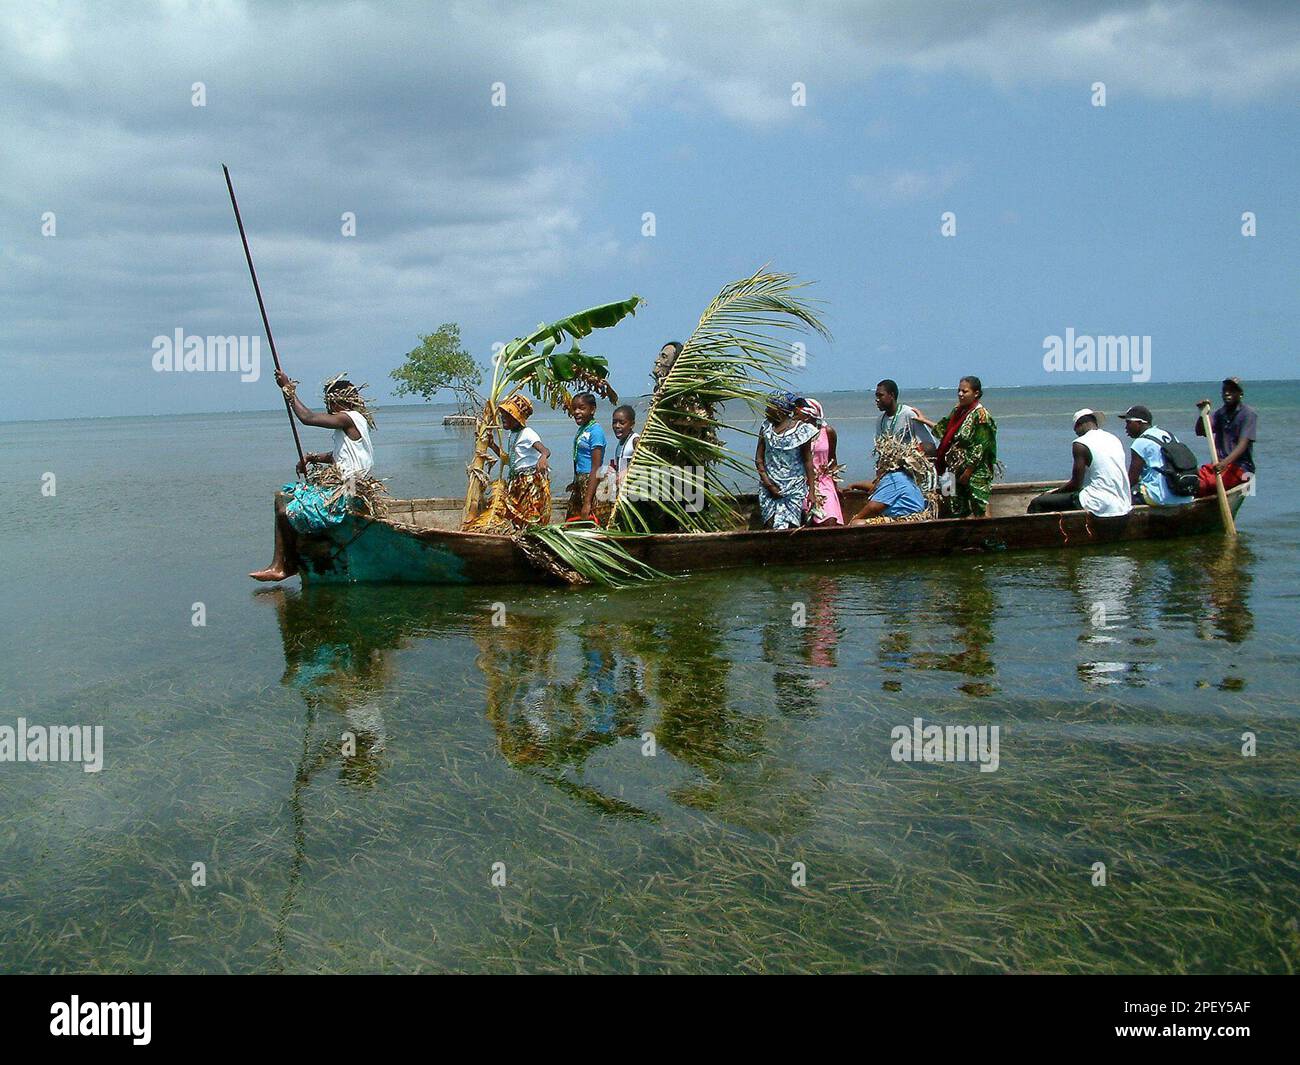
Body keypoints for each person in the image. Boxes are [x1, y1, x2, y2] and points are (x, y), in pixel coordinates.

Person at [251, 371, 377, 581]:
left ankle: (282, 566)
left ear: (336, 402)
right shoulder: (357, 421)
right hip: (352, 486)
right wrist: (312, 457)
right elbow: (340, 456)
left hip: (349, 490)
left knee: (283, 502)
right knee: (289, 495)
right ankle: (290, 562)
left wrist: (288, 389)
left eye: (329, 403)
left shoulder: (348, 417)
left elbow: (307, 418)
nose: (328, 408)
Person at [466, 393, 552, 532]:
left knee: (530, 515)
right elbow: (509, 460)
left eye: (507, 416)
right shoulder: (513, 435)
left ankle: (532, 538)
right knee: (516, 515)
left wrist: (543, 457)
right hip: (517, 481)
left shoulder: (528, 433)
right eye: (502, 415)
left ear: (517, 418)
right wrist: (492, 445)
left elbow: (545, 450)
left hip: (529, 482)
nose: (502, 418)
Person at [1027, 409, 1132, 516]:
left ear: (1079, 425)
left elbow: (1076, 484)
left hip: (1098, 502)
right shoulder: (1114, 439)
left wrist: (1053, 493)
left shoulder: (1080, 443)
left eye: (1076, 430)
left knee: (1037, 503)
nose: (1076, 434)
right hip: (1122, 502)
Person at [930, 376, 998, 517]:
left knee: (980, 507)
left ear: (976, 393)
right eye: (959, 391)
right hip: (955, 468)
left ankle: (987, 535)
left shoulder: (981, 416)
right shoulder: (958, 411)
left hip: (975, 471)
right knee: (956, 506)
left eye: (965, 391)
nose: (960, 394)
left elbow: (981, 447)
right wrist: (924, 420)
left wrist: (968, 472)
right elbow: (944, 431)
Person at [755, 391, 819, 530]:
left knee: (792, 527)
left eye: (768, 407)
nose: (766, 410)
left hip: (794, 488)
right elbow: (759, 460)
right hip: (769, 488)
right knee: (770, 525)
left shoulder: (802, 430)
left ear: (780, 410)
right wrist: (769, 485)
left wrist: (812, 493)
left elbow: (808, 461)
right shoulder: (766, 427)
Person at [1118, 404, 1194, 507]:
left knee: (1125, 496)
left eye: (1128, 422)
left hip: (1161, 497)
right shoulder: (1169, 435)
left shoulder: (1140, 442)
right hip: (1183, 494)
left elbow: (1132, 479)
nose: (1126, 427)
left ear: (1139, 423)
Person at [849, 434, 935, 524]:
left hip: (906, 521)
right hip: (915, 518)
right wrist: (854, 485)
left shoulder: (895, 477)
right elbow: (877, 486)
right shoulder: (904, 476)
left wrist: (853, 520)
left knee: (857, 523)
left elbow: (873, 507)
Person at [1194, 377, 1256, 496]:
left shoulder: (1248, 414)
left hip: (1240, 468)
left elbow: (1243, 444)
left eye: (1232, 390)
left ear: (1240, 394)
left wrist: (1225, 463)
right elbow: (1201, 431)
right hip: (1218, 465)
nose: (1227, 393)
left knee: (1210, 484)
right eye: (1225, 390)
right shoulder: (1220, 413)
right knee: (1192, 482)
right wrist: (1202, 414)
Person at [794, 397, 844, 525]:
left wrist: (836, 487)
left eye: (798, 412)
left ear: (808, 414)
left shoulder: (828, 432)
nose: (794, 415)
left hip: (824, 481)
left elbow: (832, 459)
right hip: (804, 482)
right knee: (807, 518)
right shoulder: (796, 434)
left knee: (830, 518)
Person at [565, 392, 607, 522]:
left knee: (591, 520)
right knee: (572, 521)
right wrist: (575, 481)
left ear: (592, 409)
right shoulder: (583, 429)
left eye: (582, 408)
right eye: (574, 408)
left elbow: (596, 467)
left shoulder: (596, 432)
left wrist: (588, 501)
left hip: (591, 482)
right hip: (580, 481)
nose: (576, 412)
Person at [873, 379, 935, 452]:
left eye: (880, 395)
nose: (877, 399)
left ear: (892, 395)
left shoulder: (909, 414)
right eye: (876, 396)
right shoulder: (880, 420)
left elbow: (929, 446)